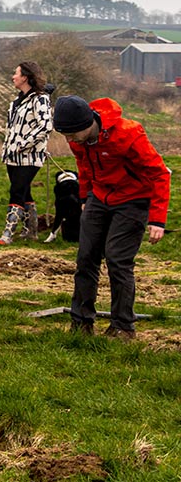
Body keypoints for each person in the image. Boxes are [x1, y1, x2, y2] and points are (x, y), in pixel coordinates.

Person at [54, 95, 170, 340]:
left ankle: (123, 326)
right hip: (99, 197)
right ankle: (81, 322)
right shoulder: (78, 140)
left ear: (88, 123)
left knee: (117, 260)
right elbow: (84, 166)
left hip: (133, 200)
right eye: (65, 135)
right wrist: (85, 198)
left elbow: (160, 174)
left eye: (72, 134)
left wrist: (157, 219)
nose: (69, 140)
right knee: (85, 258)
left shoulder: (129, 135)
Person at [0, 61, 53, 245]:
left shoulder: (40, 99)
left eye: (16, 73)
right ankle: (31, 231)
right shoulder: (16, 101)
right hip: (12, 156)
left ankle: (8, 232)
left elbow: (45, 126)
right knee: (24, 191)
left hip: (30, 156)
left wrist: (23, 144)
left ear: (25, 77)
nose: (13, 76)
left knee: (16, 191)